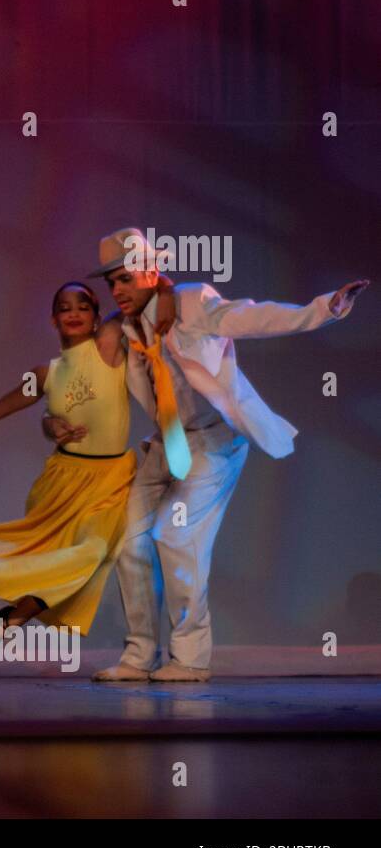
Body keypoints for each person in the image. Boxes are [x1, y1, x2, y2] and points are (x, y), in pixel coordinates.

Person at [75, 228, 369, 683]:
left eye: (125, 279)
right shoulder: (125, 325)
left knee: (174, 537)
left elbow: (254, 317)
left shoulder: (193, 303)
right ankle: (139, 656)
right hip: (166, 443)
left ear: (151, 272)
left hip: (212, 441)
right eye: (111, 282)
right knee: (129, 540)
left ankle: (190, 658)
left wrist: (323, 309)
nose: (117, 289)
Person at [0, 279, 173, 643]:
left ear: (95, 318)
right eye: (64, 308)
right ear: (53, 321)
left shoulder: (108, 349)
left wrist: (163, 284)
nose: (73, 313)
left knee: (92, 553)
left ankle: (15, 618)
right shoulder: (45, 373)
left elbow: (134, 304)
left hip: (110, 481)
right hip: (62, 483)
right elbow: (0, 406)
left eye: (82, 307)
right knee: (43, 556)